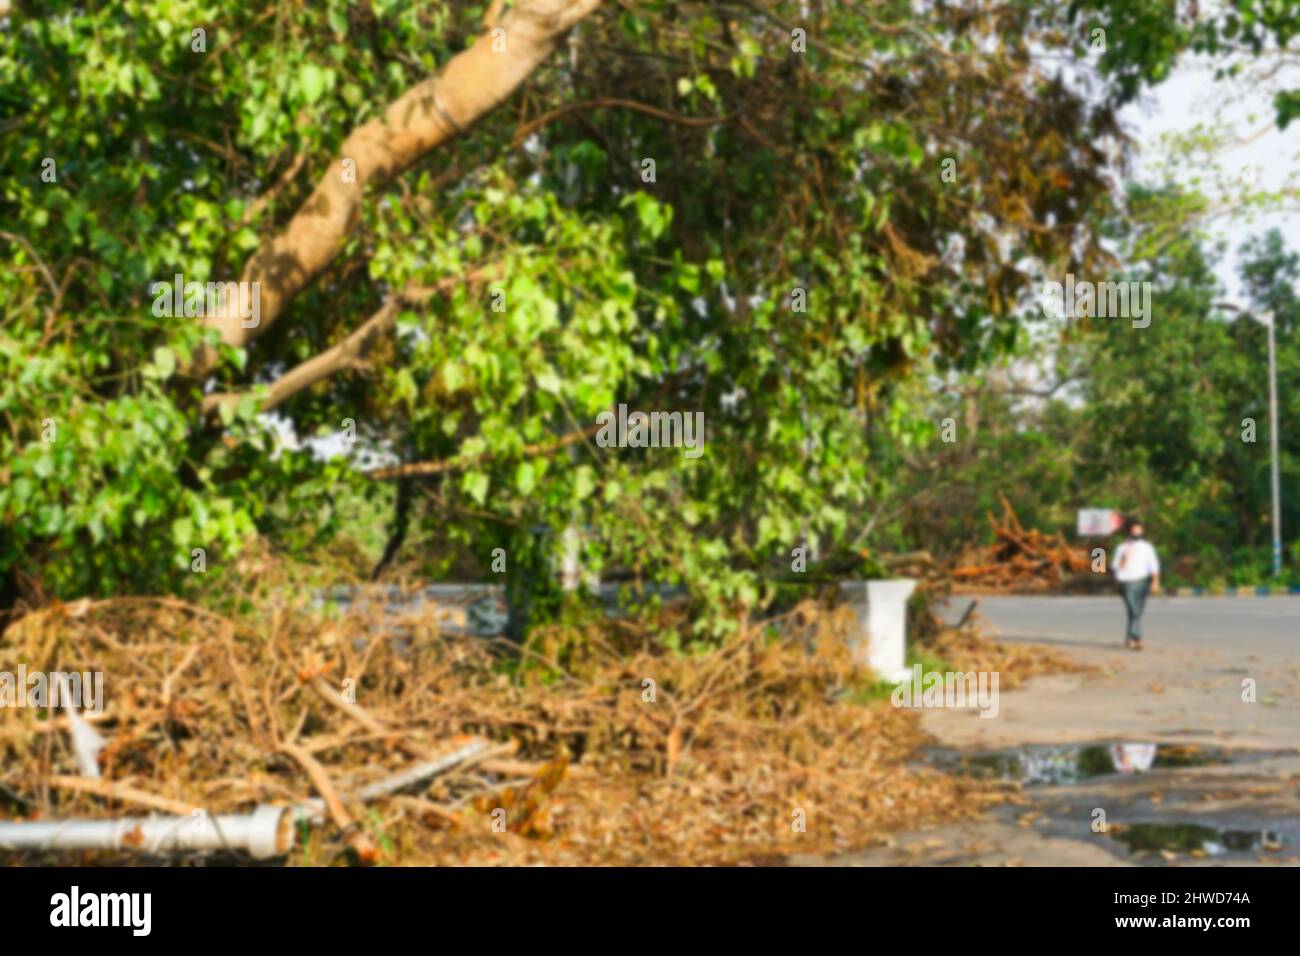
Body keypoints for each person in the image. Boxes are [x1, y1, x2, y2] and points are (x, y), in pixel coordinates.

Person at [1111, 520, 1160, 650]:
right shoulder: (1121, 548)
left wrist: (1155, 581)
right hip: (1126, 582)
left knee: (1136, 612)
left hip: (1142, 582)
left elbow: (1153, 565)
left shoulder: (1147, 547)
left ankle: (1129, 639)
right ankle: (1137, 638)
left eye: (1139, 530)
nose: (1137, 533)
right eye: (1134, 531)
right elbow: (1115, 567)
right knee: (1134, 610)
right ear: (1129, 532)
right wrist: (1124, 558)